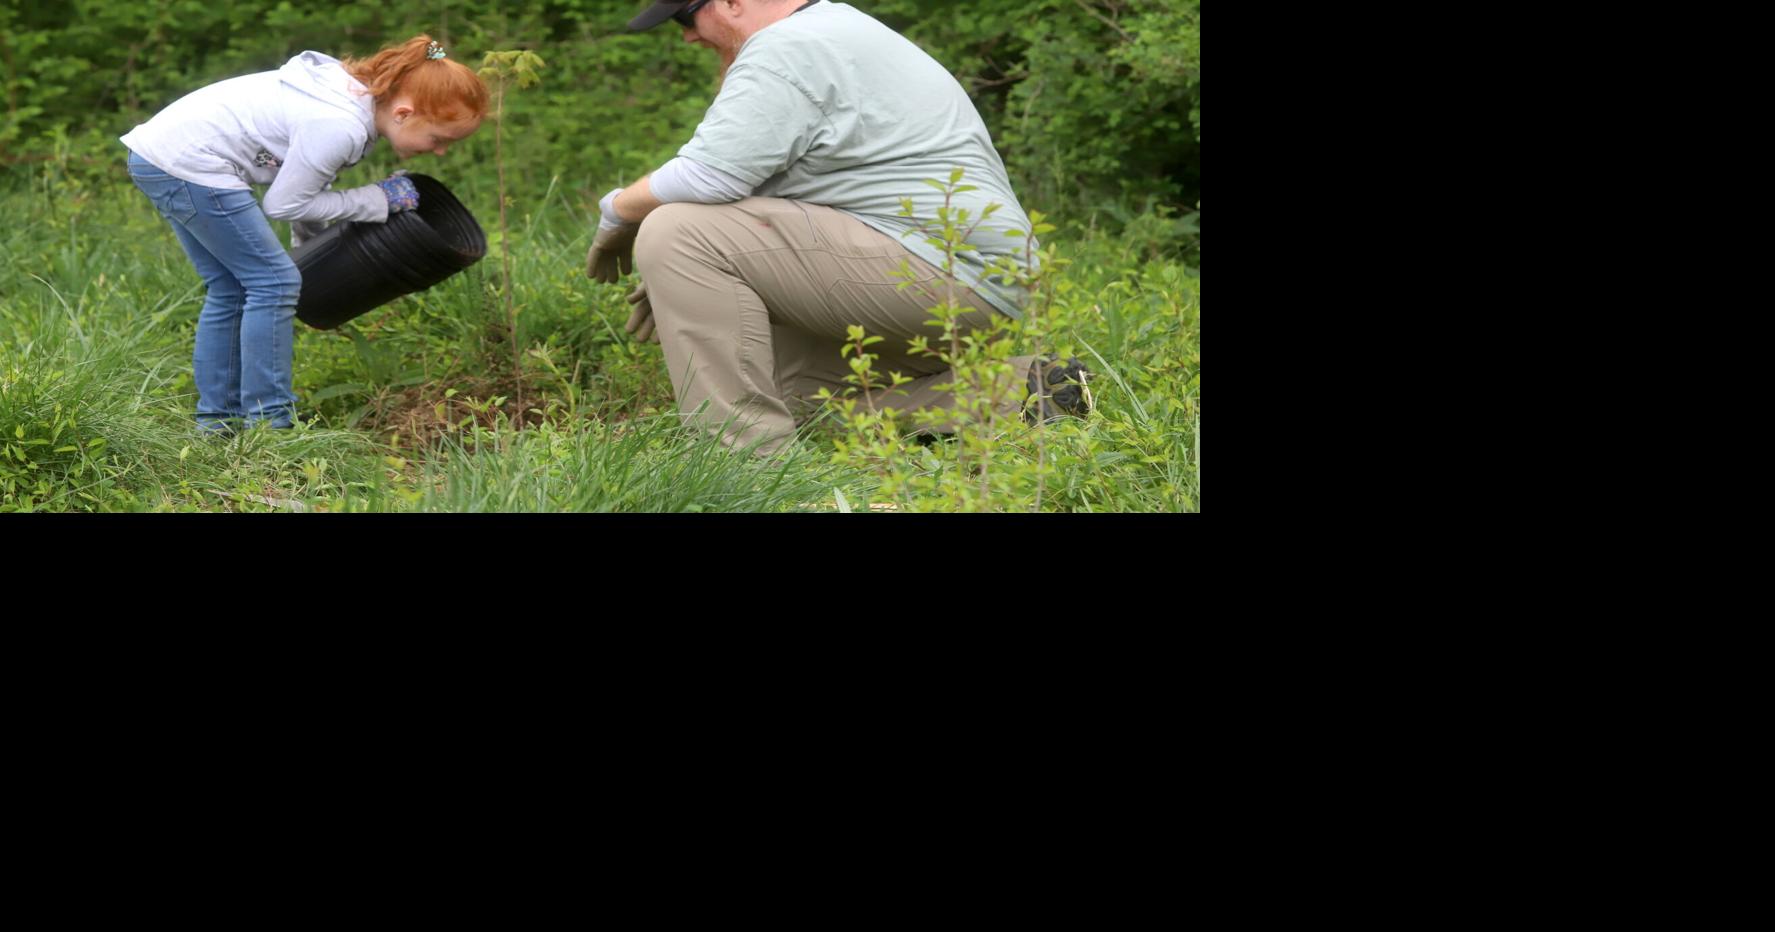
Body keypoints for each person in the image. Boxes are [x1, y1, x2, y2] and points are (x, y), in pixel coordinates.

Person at [588, 0, 1091, 454]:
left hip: (942, 271)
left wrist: (619, 212)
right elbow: (757, 192)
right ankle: (1020, 390)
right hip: (970, 281)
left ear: (730, 2)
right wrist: (690, 284)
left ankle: (745, 470)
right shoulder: (838, 29)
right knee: (786, 399)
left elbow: (709, 176)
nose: (688, 36)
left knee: (676, 230)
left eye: (685, 17)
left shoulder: (786, 46)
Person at [121, 34, 489, 433]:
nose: (439, 152)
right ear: (403, 113)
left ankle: (218, 423)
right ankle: (270, 425)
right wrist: (376, 199)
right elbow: (283, 205)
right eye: (439, 140)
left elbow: (305, 190)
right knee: (274, 283)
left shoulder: (350, 99)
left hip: (160, 155)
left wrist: (312, 251)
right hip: (191, 164)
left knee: (232, 287)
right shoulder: (340, 126)